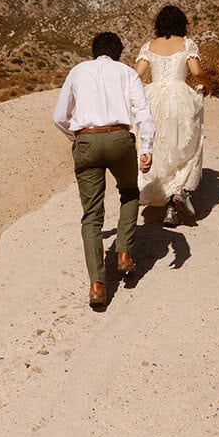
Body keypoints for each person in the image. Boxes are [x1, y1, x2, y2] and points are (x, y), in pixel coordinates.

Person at [53, 32, 155, 309]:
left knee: (92, 214)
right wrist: (147, 148)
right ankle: (123, 253)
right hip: (120, 139)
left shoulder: (77, 71)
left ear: (93, 50)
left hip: (86, 139)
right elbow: (143, 112)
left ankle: (97, 285)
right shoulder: (126, 72)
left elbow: (59, 116)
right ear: (119, 51)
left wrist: (78, 138)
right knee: (130, 192)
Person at [135, 5, 208, 225]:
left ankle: (161, 195)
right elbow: (196, 72)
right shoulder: (187, 44)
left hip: (154, 97)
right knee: (185, 145)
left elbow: (136, 74)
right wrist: (207, 84)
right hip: (180, 98)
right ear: (181, 23)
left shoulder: (149, 46)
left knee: (157, 145)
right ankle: (175, 198)